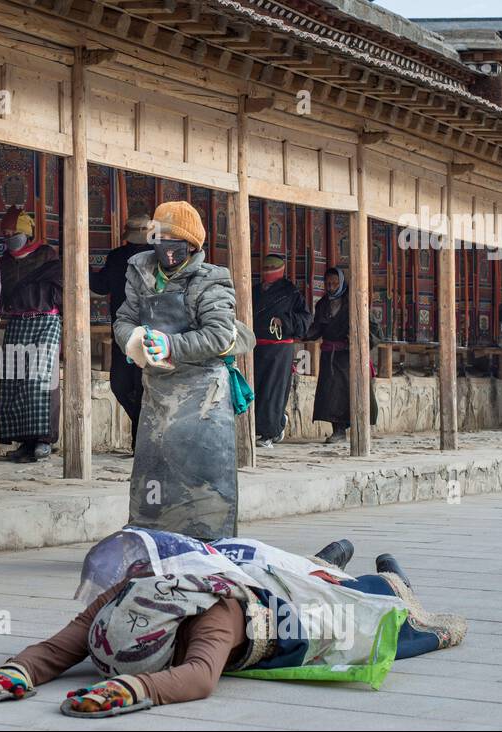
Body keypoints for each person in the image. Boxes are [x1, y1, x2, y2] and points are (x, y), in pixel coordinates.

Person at [0, 528, 465, 718]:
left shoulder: (213, 614)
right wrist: (12, 674)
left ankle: (389, 576)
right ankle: (327, 558)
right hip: (255, 583)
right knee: (296, 570)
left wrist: (130, 690)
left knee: (378, 613)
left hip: (298, 619)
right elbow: (59, 648)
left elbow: (200, 677)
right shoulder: (123, 595)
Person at [113, 201, 247, 540]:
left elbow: (218, 334)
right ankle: (150, 538)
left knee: (201, 478)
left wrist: (172, 345)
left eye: (174, 239)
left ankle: (207, 543)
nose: (165, 246)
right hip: (158, 392)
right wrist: (136, 341)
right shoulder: (140, 272)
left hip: (204, 394)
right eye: (159, 236)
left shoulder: (212, 280)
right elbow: (125, 318)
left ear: (191, 245)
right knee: (154, 472)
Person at [0, 207, 63, 462]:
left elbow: (59, 287)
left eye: (14, 232)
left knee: (40, 380)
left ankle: (43, 440)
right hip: (17, 323)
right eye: (6, 233)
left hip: (45, 320)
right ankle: (24, 441)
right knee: (15, 381)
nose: (10, 236)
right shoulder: (5, 263)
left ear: (27, 233)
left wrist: (35, 295)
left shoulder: (47, 257)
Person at [90, 215, 153, 449]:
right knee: (120, 384)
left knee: (143, 386)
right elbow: (101, 285)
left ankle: (141, 442)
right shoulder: (116, 257)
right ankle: (140, 428)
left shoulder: (157, 257)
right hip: (122, 330)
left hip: (149, 331)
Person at [304, 266, 380, 444]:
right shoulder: (322, 304)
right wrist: (301, 332)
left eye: (334, 283)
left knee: (350, 392)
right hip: (329, 356)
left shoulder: (354, 302)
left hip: (349, 356)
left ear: (342, 282)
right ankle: (337, 431)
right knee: (331, 394)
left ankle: (356, 428)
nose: (331, 287)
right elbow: (317, 328)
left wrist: (356, 340)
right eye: (328, 283)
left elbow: (374, 329)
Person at [252, 253, 312, 447]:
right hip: (256, 347)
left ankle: (269, 433)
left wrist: (283, 321)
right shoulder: (254, 291)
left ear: (281, 270)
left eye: (272, 269)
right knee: (257, 389)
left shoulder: (291, 292)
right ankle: (271, 425)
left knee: (273, 390)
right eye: (265, 269)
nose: (268, 273)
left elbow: (305, 319)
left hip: (279, 350)